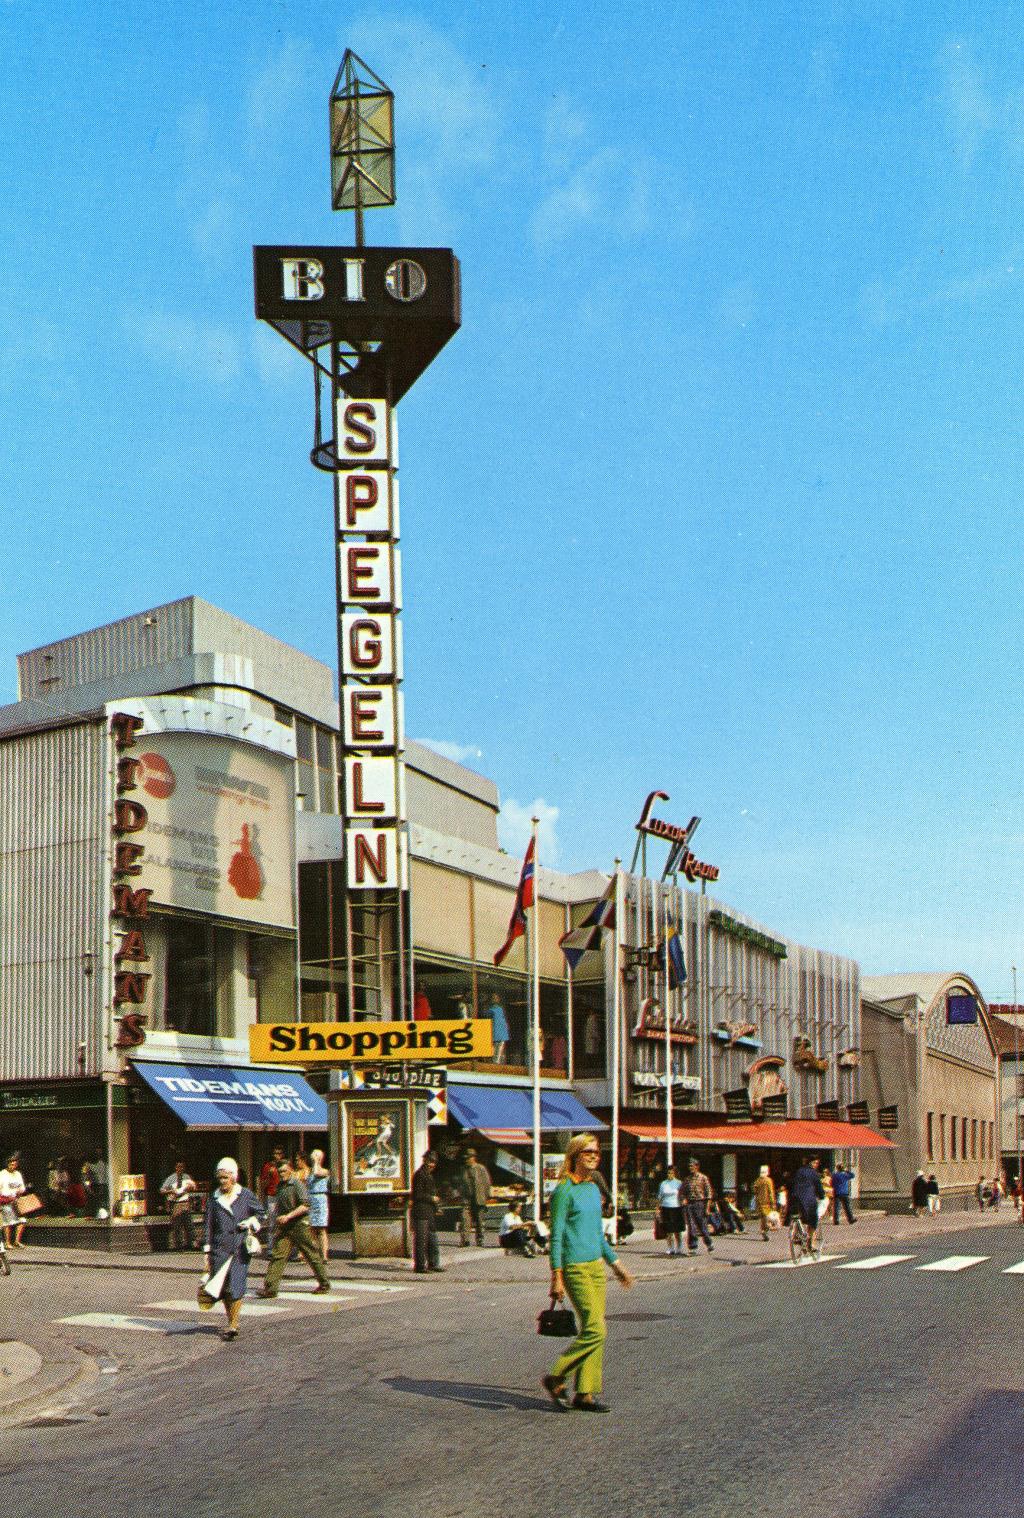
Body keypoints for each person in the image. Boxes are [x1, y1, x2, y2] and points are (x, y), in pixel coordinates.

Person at [541, 1134, 635, 1413]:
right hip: (574, 1268)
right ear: (574, 1156)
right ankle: (557, 1375)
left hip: (595, 1267)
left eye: (596, 1152)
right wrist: (556, 1276)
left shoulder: (593, 1189)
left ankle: (585, 1394)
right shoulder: (563, 1191)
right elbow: (555, 1237)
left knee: (594, 1329)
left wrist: (616, 1265)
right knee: (596, 1329)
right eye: (588, 1152)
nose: (594, 1156)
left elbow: (597, 1234)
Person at [203, 1158, 263, 1340]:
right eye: (220, 1178)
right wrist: (206, 1252)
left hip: (239, 1249)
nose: (222, 1182)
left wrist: (251, 1222)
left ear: (234, 1178)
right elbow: (208, 1226)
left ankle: (233, 1325)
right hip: (219, 1249)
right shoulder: (213, 1199)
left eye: (225, 1178)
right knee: (223, 1289)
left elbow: (261, 1212)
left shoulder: (245, 1195)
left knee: (236, 1285)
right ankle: (231, 1320)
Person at [259, 1155, 332, 1297]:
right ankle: (270, 1288)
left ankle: (324, 1283)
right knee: (278, 1255)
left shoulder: (297, 1184)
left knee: (311, 1254)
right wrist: (280, 1222)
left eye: (284, 1171)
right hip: (286, 1225)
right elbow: (281, 1207)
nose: (282, 1174)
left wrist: (288, 1216)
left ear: (291, 1170)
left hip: (299, 1225)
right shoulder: (280, 1186)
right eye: (279, 1172)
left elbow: (305, 1206)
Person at [410, 1151, 443, 1273]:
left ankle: (433, 1263)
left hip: (429, 1212)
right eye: (430, 1161)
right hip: (421, 1211)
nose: (431, 1164)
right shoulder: (419, 1175)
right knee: (421, 1240)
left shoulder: (429, 1175)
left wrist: (436, 1206)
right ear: (424, 1160)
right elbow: (417, 1195)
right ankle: (419, 1266)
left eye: (433, 1162)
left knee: (432, 1239)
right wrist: (431, 1198)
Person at [457, 1148, 492, 1246]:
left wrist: (485, 1197)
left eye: (468, 1158)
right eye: (466, 1158)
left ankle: (480, 1239)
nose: (466, 1160)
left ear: (473, 1158)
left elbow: (487, 1183)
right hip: (467, 1199)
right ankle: (465, 1240)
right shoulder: (463, 1169)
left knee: (480, 1221)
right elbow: (460, 1183)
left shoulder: (481, 1168)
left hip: (479, 1199)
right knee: (465, 1219)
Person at [160, 1160, 198, 1251]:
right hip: (176, 1203)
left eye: (182, 1167)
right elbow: (162, 1190)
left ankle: (191, 1244)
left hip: (185, 1202)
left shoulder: (187, 1177)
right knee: (177, 1225)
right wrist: (171, 1191)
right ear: (175, 1168)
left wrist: (191, 1188)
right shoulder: (171, 1178)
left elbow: (194, 1187)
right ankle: (179, 1246)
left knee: (188, 1224)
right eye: (178, 1167)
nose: (180, 1169)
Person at [789, 1156, 826, 1248]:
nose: (816, 1165)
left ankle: (797, 1234)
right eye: (816, 1163)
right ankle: (811, 1243)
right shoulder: (813, 1173)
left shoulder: (798, 1171)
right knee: (813, 1220)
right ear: (811, 1163)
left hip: (794, 1198)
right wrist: (822, 1196)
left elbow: (791, 1183)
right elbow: (819, 1187)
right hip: (808, 1200)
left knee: (799, 1216)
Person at [683, 1158, 714, 1255]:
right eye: (689, 1166)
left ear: (697, 1166)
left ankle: (709, 1243)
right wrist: (684, 1199)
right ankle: (693, 1247)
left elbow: (709, 1193)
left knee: (702, 1226)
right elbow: (683, 1192)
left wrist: (707, 1207)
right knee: (691, 1227)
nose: (690, 1168)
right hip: (690, 1204)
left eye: (692, 1166)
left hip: (700, 1204)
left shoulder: (703, 1178)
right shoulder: (687, 1179)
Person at [307, 1149, 331, 1263]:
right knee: (311, 1228)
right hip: (311, 1198)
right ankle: (313, 1254)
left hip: (320, 1199)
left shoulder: (325, 1171)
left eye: (316, 1157)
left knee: (321, 1228)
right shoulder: (310, 1171)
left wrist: (317, 1161)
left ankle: (324, 1255)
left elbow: (317, 1173)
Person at [656, 1164, 685, 1256]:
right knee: (668, 1230)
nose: (670, 1174)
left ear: (675, 1173)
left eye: (672, 1173)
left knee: (677, 1229)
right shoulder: (663, 1183)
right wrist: (657, 1208)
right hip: (666, 1208)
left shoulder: (679, 1183)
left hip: (676, 1207)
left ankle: (679, 1248)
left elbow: (683, 1195)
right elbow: (659, 1197)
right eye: (668, 1173)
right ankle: (670, 1248)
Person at [260, 1145, 285, 1248]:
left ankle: (283, 1247)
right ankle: (271, 1248)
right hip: (272, 1196)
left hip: (283, 1197)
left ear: (282, 1155)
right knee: (272, 1223)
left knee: (284, 1222)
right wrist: (269, 1176)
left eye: (279, 1154)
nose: (277, 1156)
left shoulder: (286, 1165)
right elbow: (262, 1184)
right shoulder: (268, 1166)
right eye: (275, 1154)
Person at [0, 1155, 26, 1248]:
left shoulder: (18, 1174)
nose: (12, 1165)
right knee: (8, 1222)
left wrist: (20, 1191)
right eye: (10, 1164)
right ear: (7, 1164)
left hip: (16, 1201)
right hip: (5, 1200)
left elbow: (22, 1187)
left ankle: (16, 1241)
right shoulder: (2, 1174)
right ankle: (7, 1243)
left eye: (14, 1164)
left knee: (22, 1220)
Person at [483, 993, 510, 1062]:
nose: (494, 999)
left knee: (500, 1047)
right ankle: (495, 1061)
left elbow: (504, 1020)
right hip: (494, 1031)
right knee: (495, 1047)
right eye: (493, 998)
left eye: (496, 998)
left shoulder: (500, 1008)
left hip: (499, 1031)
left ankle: (497, 1061)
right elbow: (485, 1016)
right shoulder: (490, 1009)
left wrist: (506, 1028)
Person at [754, 1165, 776, 1240]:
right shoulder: (768, 1180)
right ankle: (765, 1230)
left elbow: (754, 1190)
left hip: (759, 1201)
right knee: (767, 1217)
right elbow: (770, 1192)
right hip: (767, 1202)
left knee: (763, 1218)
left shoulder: (758, 1180)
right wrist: (773, 1202)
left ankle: (763, 1231)